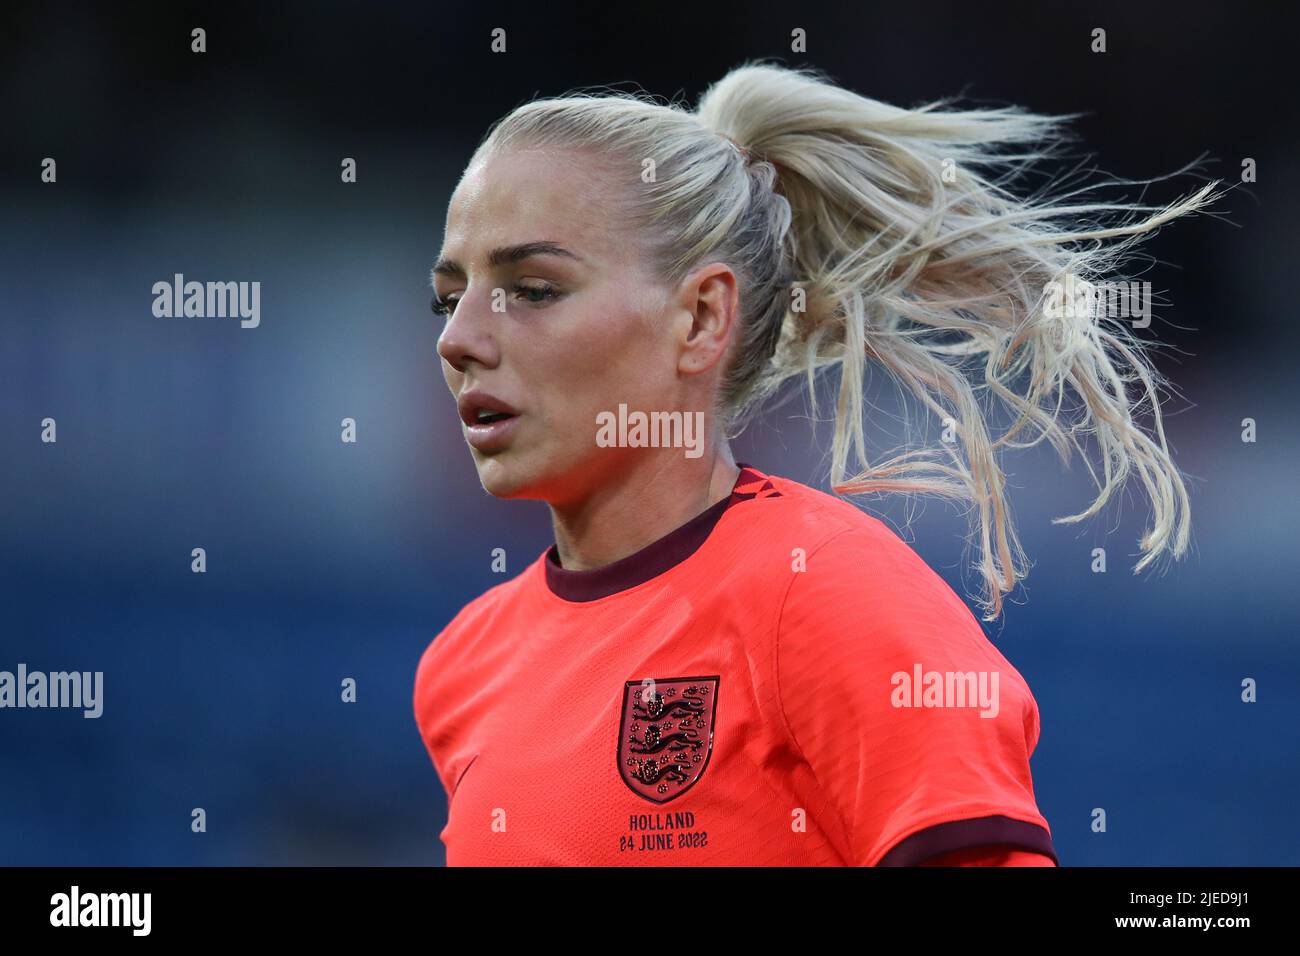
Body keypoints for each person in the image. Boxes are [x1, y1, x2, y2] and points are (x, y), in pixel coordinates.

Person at [414, 60, 1219, 865]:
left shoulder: (824, 595)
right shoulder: (462, 666)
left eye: (535, 288)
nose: (459, 339)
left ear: (700, 319)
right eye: (449, 298)